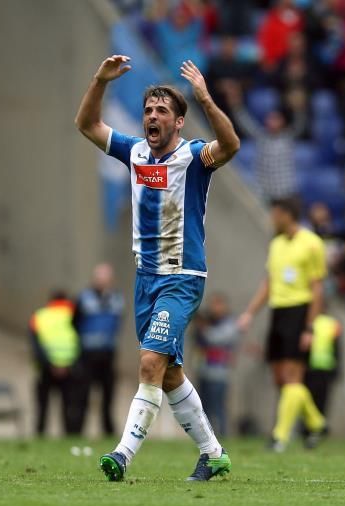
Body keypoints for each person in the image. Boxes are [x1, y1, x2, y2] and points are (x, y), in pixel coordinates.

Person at [75, 55, 239, 481]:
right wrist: (100, 80)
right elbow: (87, 125)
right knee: (168, 376)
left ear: (179, 122)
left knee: (149, 363)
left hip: (182, 277)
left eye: (162, 110)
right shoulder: (134, 152)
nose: (152, 116)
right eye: (149, 110)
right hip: (145, 278)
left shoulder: (195, 157)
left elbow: (232, 145)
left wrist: (204, 96)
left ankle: (122, 455)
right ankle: (213, 453)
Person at [237, 197, 328, 452]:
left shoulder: (312, 244)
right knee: (280, 378)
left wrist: (309, 327)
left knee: (292, 376)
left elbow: (317, 289)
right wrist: (249, 313)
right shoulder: (276, 244)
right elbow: (269, 283)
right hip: (278, 312)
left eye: (275, 214)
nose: (272, 219)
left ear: (288, 215)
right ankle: (316, 421)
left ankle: (280, 436)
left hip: (299, 311)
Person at [73, 263, 125, 437]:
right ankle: (76, 431)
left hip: (107, 354)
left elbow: (118, 322)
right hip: (87, 353)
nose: (102, 281)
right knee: (83, 394)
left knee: (108, 395)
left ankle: (108, 432)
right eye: (99, 277)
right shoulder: (84, 298)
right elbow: (75, 322)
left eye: (105, 277)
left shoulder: (117, 298)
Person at [30, 290, 82, 436]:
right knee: (69, 407)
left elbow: (35, 345)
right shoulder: (73, 314)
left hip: (46, 369)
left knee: (42, 407)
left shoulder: (39, 315)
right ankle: (69, 436)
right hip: (69, 368)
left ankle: (40, 435)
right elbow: (81, 341)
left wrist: (49, 364)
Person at [194, 293, 239, 437]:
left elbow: (216, 338)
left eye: (218, 304)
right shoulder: (209, 322)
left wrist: (203, 327)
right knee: (203, 408)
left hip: (219, 373)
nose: (214, 308)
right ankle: (206, 437)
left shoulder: (229, 323)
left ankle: (222, 435)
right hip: (203, 370)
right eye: (212, 304)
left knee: (218, 407)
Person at [305, 311, 342, 421]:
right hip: (322, 367)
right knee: (319, 400)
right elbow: (338, 348)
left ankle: (313, 427)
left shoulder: (308, 323)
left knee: (312, 400)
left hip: (314, 367)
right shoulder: (332, 323)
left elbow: (337, 347)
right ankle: (315, 427)